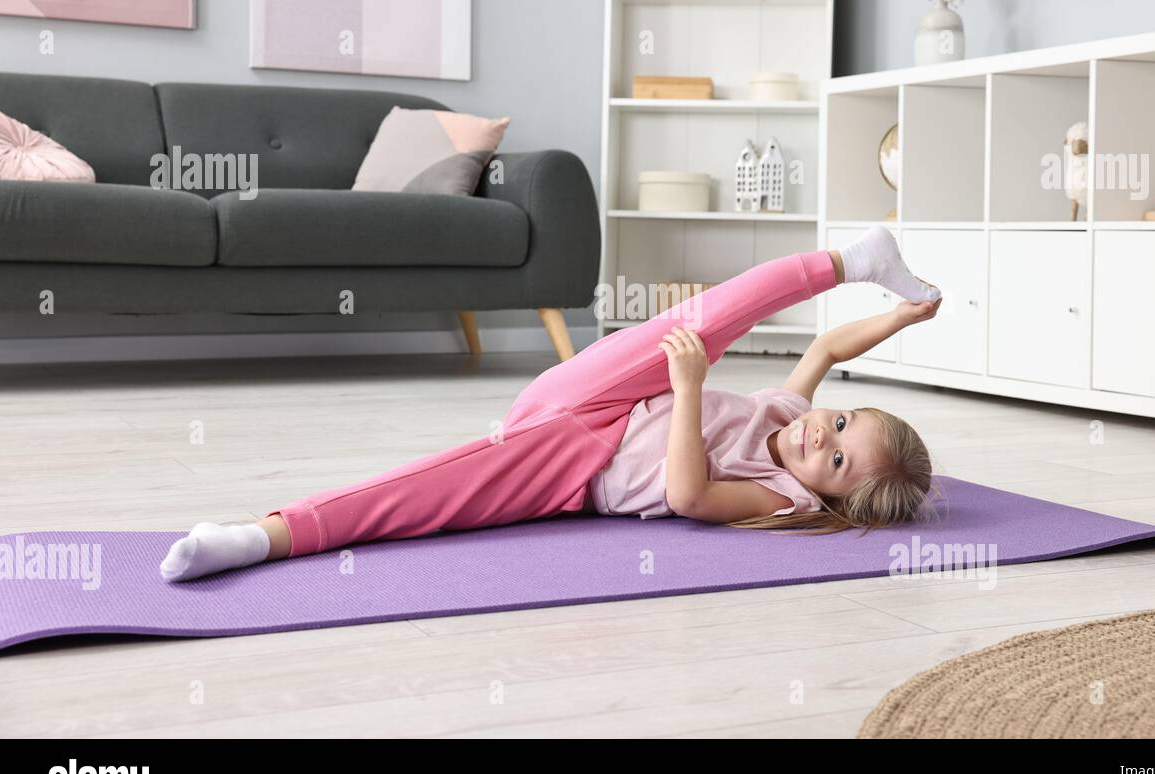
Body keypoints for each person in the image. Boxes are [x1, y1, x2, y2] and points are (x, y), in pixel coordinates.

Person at [160, 227, 942, 582]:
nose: (821, 433)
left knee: (422, 491)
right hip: (602, 393)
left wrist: (692, 386)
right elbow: (824, 353)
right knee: (703, 320)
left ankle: (263, 536)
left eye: (836, 458)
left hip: (581, 464)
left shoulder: (782, 494)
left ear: (836, 500)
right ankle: (853, 256)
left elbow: (688, 494)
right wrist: (901, 309)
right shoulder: (785, 418)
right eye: (842, 420)